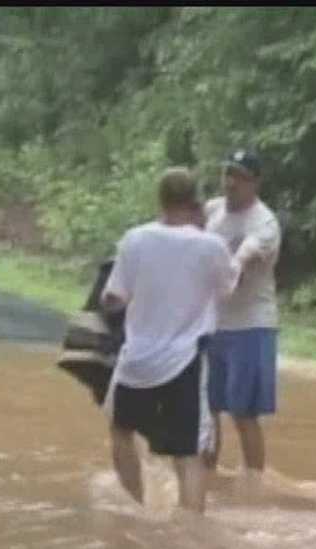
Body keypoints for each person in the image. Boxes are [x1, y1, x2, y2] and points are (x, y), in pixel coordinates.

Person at [100, 167, 240, 514]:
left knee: (121, 431)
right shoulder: (211, 246)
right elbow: (227, 290)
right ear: (195, 202)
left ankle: (135, 508)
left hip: (137, 360)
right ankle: (190, 527)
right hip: (185, 362)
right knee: (188, 453)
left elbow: (112, 299)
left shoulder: (134, 239)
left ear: (160, 200)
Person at [203, 149, 282, 486]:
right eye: (227, 174)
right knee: (207, 409)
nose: (230, 182)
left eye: (239, 177)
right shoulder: (211, 210)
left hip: (251, 326)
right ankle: (204, 477)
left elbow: (243, 257)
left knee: (243, 414)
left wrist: (226, 274)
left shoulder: (264, 223)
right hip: (212, 325)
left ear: (255, 183)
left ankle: (254, 485)